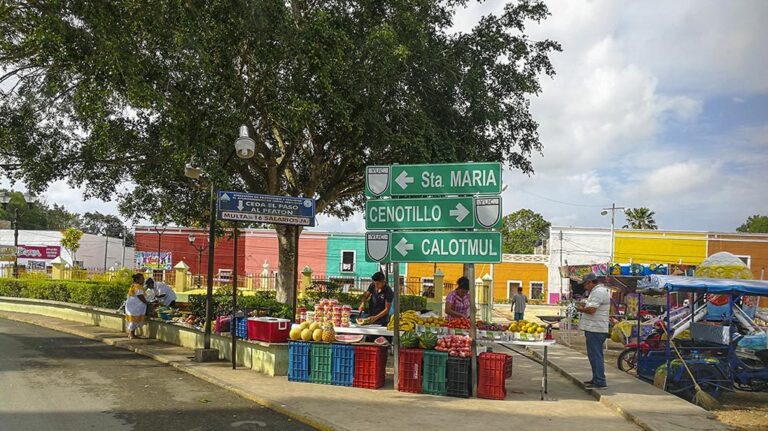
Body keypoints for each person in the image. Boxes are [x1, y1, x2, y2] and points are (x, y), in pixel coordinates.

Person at [575, 273, 611, 389]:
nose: (585, 287)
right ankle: (596, 378)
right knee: (593, 355)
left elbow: (591, 310)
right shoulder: (596, 292)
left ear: (590, 282)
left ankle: (600, 381)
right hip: (593, 327)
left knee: (596, 356)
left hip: (596, 328)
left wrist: (580, 309)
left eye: (585, 284)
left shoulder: (599, 292)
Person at [125, 273, 149, 339]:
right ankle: (131, 334)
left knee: (134, 320)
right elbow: (140, 296)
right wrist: (147, 303)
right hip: (134, 307)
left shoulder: (136, 286)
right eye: (142, 279)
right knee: (133, 320)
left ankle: (132, 334)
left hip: (134, 306)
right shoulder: (137, 286)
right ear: (137, 280)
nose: (143, 280)